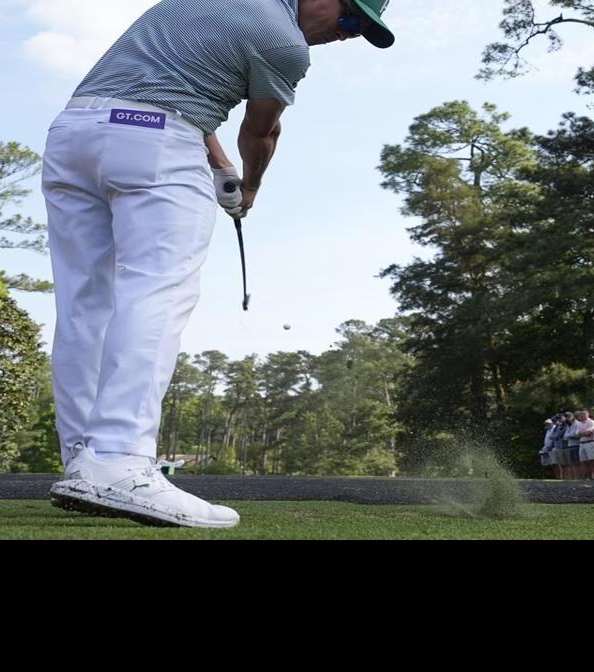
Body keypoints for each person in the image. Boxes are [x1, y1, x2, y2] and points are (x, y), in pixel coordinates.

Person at [43, 0, 396, 528]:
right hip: (156, 147)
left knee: (85, 305)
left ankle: (83, 460)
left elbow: (167, 84)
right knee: (157, 293)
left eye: (359, 31)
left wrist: (218, 165)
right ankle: (118, 457)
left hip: (74, 135)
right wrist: (249, 186)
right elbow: (261, 132)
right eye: (349, 19)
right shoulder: (285, 42)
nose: (345, 35)